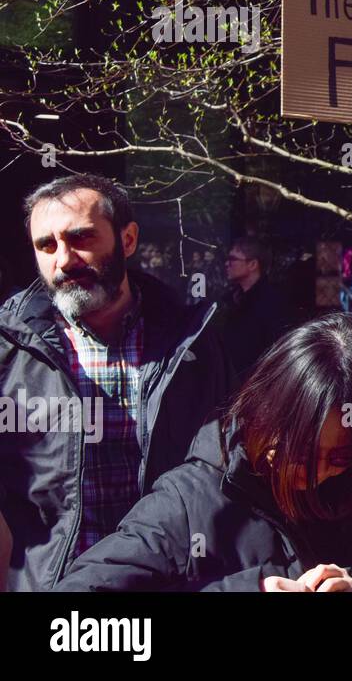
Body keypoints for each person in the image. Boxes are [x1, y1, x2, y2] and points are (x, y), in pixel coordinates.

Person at [55, 314, 352, 591]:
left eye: (340, 458)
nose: (313, 472)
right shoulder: (191, 503)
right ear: (264, 412)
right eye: (297, 450)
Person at [1, 175, 232, 591]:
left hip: (174, 582)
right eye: (46, 245)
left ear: (127, 240)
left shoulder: (192, 344)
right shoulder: (10, 350)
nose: (64, 259)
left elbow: (227, 474)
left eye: (81, 237)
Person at [219, 236, 295, 381]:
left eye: (233, 259)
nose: (227, 264)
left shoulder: (272, 304)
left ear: (253, 264)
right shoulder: (232, 300)